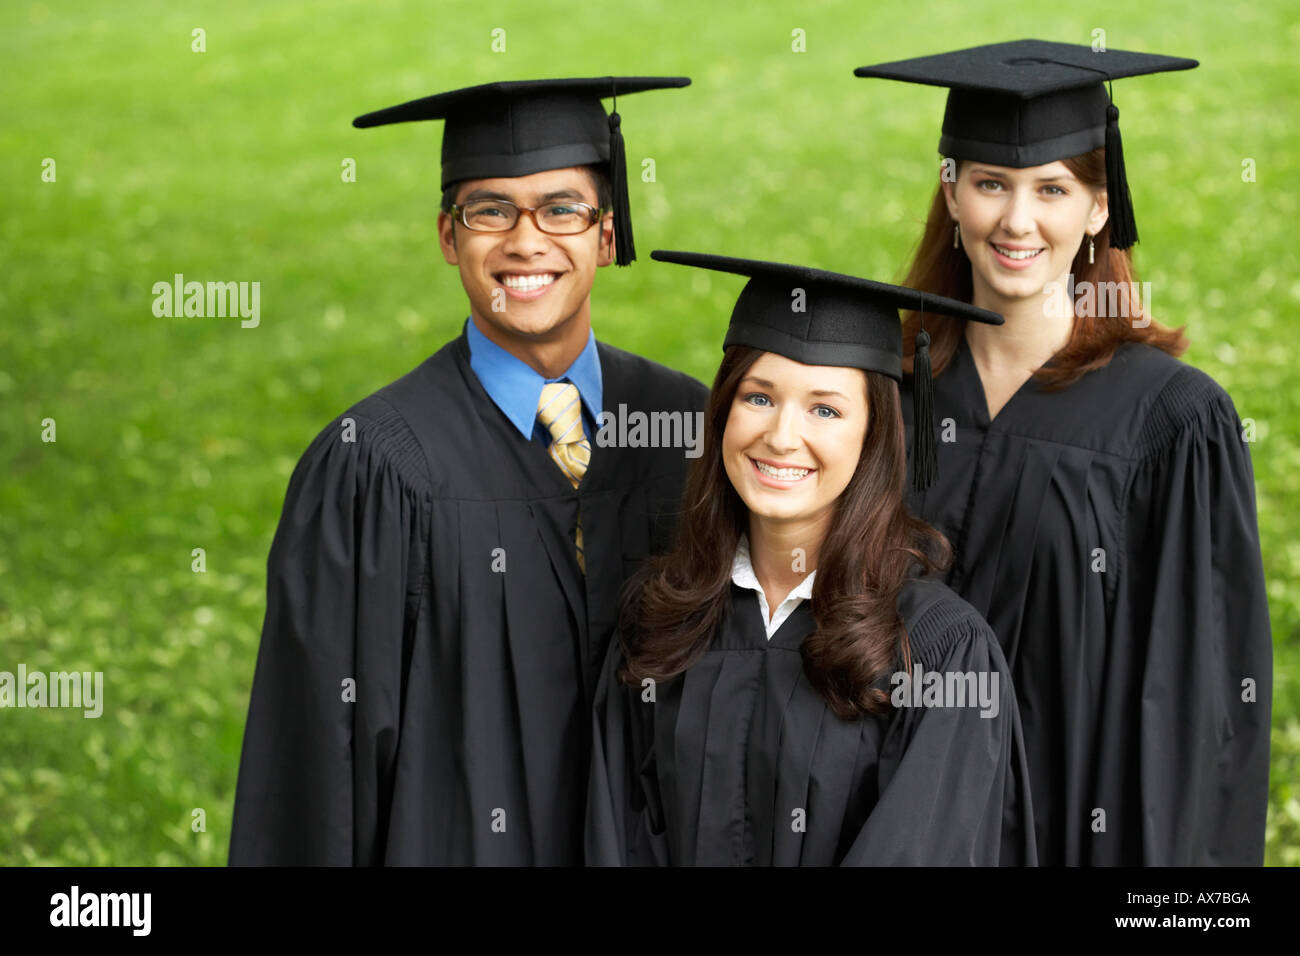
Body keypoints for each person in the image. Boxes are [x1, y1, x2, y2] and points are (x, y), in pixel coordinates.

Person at [229, 77, 708, 865]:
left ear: (607, 234)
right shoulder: (371, 469)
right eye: (491, 211)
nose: (526, 242)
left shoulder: (685, 431)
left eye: (561, 209)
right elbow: (316, 766)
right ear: (449, 237)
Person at [854, 40, 1272, 864]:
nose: (1017, 221)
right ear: (953, 194)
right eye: (989, 184)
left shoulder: (1171, 426)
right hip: (891, 826)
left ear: (1098, 208)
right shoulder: (881, 396)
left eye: (1052, 188)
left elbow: (1194, 708)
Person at [586, 250, 1037, 866]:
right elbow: (616, 836)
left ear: (872, 437)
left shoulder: (940, 653)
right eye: (759, 397)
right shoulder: (662, 619)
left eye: (825, 409)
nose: (780, 436)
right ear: (722, 410)